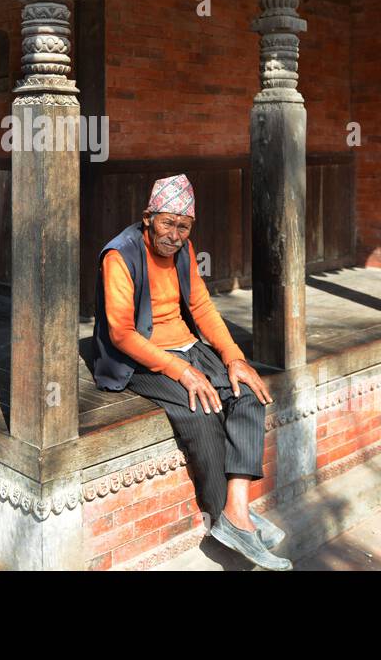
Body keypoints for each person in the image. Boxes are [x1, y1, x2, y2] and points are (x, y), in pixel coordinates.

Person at [92, 173, 292, 570]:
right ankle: (231, 519)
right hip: (141, 355)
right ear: (149, 217)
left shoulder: (182, 249)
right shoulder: (120, 254)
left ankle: (237, 511)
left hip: (187, 346)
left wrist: (235, 357)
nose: (175, 235)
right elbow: (121, 333)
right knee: (201, 409)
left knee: (247, 392)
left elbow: (201, 308)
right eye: (168, 223)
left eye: (184, 227)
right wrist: (181, 372)